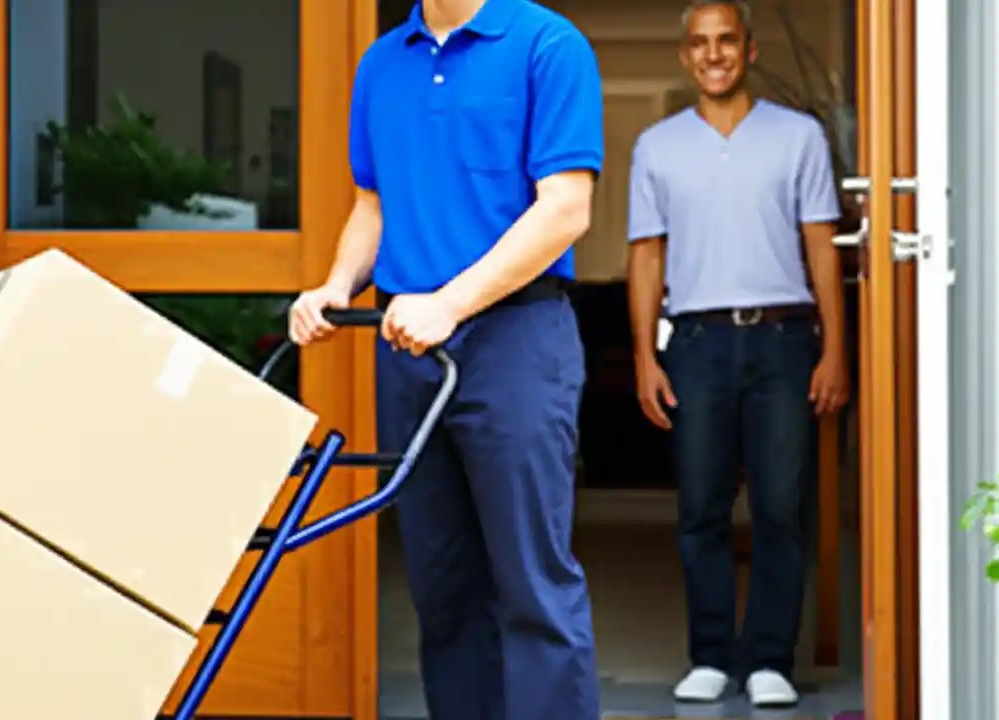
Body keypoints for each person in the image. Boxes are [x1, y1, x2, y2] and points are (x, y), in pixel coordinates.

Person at [288, 0, 604, 717]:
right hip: (409, 351)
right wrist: (337, 285)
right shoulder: (381, 63)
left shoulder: (547, 45)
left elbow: (565, 209)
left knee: (533, 585)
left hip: (516, 342)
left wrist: (450, 304)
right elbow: (373, 204)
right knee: (444, 587)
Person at [626, 0, 849, 708]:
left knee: (783, 507)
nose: (713, 54)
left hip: (786, 341)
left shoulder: (799, 136)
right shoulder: (657, 147)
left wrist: (835, 350)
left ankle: (770, 661)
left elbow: (821, 245)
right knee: (701, 507)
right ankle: (712, 657)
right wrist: (644, 357)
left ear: (749, 49)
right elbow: (646, 256)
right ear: (685, 55)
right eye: (700, 43)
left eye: (726, 40)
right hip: (696, 344)